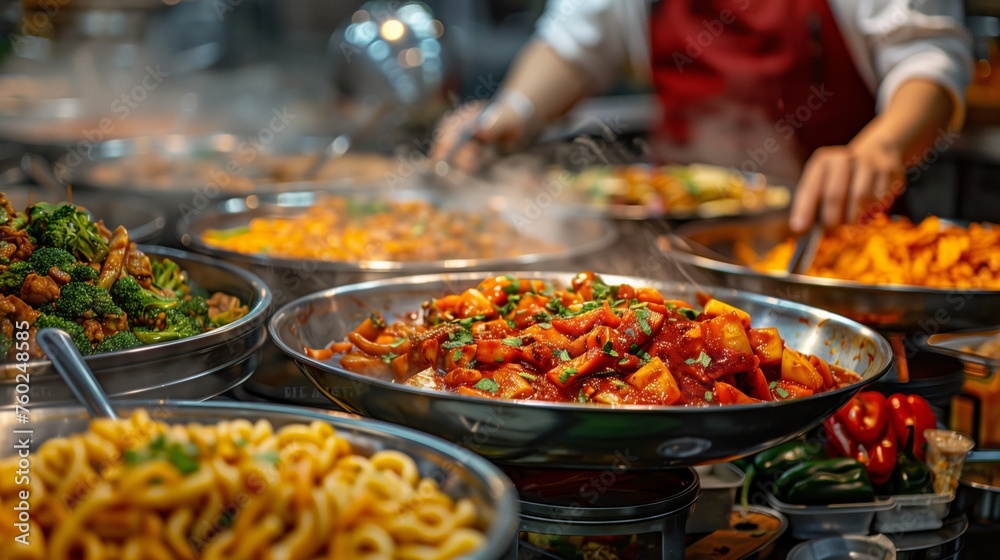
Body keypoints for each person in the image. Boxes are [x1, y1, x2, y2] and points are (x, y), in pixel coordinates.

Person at [432, 0, 972, 233]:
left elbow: (930, 61)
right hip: (676, 244)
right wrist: (511, 113)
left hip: (835, 243)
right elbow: (573, 44)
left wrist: (880, 148)